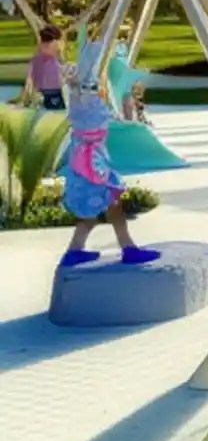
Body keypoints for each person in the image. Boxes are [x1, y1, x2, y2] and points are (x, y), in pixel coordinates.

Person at [58, 47, 159, 268]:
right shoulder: (85, 109)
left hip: (91, 164)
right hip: (92, 167)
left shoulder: (82, 108)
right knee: (110, 206)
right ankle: (128, 249)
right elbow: (93, 125)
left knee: (96, 211)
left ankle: (76, 250)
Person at [27, 26, 66, 110]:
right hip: (53, 89)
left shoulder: (38, 53)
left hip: (42, 89)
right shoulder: (55, 47)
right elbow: (62, 62)